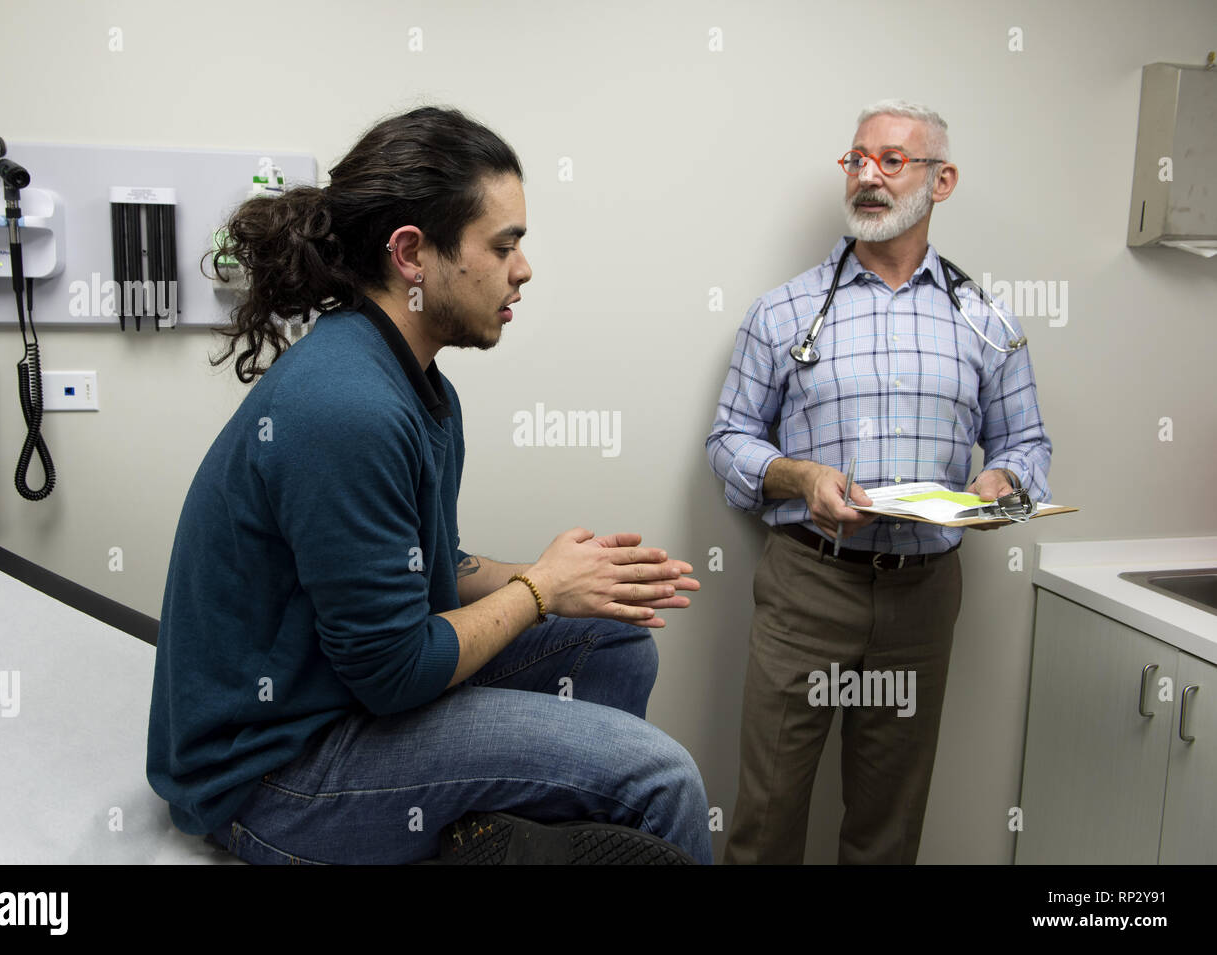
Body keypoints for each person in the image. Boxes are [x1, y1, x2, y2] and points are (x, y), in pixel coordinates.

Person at [146, 106, 712, 865]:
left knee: (613, 644)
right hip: (272, 775)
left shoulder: (415, 383)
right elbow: (393, 671)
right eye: (503, 245)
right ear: (413, 254)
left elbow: (421, 566)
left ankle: (529, 839)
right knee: (662, 777)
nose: (524, 268)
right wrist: (540, 588)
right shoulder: (347, 405)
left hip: (336, 700)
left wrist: (563, 577)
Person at [705, 100, 1053, 864]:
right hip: (807, 585)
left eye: (892, 160)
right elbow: (728, 439)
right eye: (857, 159)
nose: (868, 175)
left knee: (888, 831)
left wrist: (1001, 478)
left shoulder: (986, 320)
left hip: (923, 596)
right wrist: (798, 475)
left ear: (942, 179)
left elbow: (1027, 442)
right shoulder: (784, 311)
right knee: (764, 821)